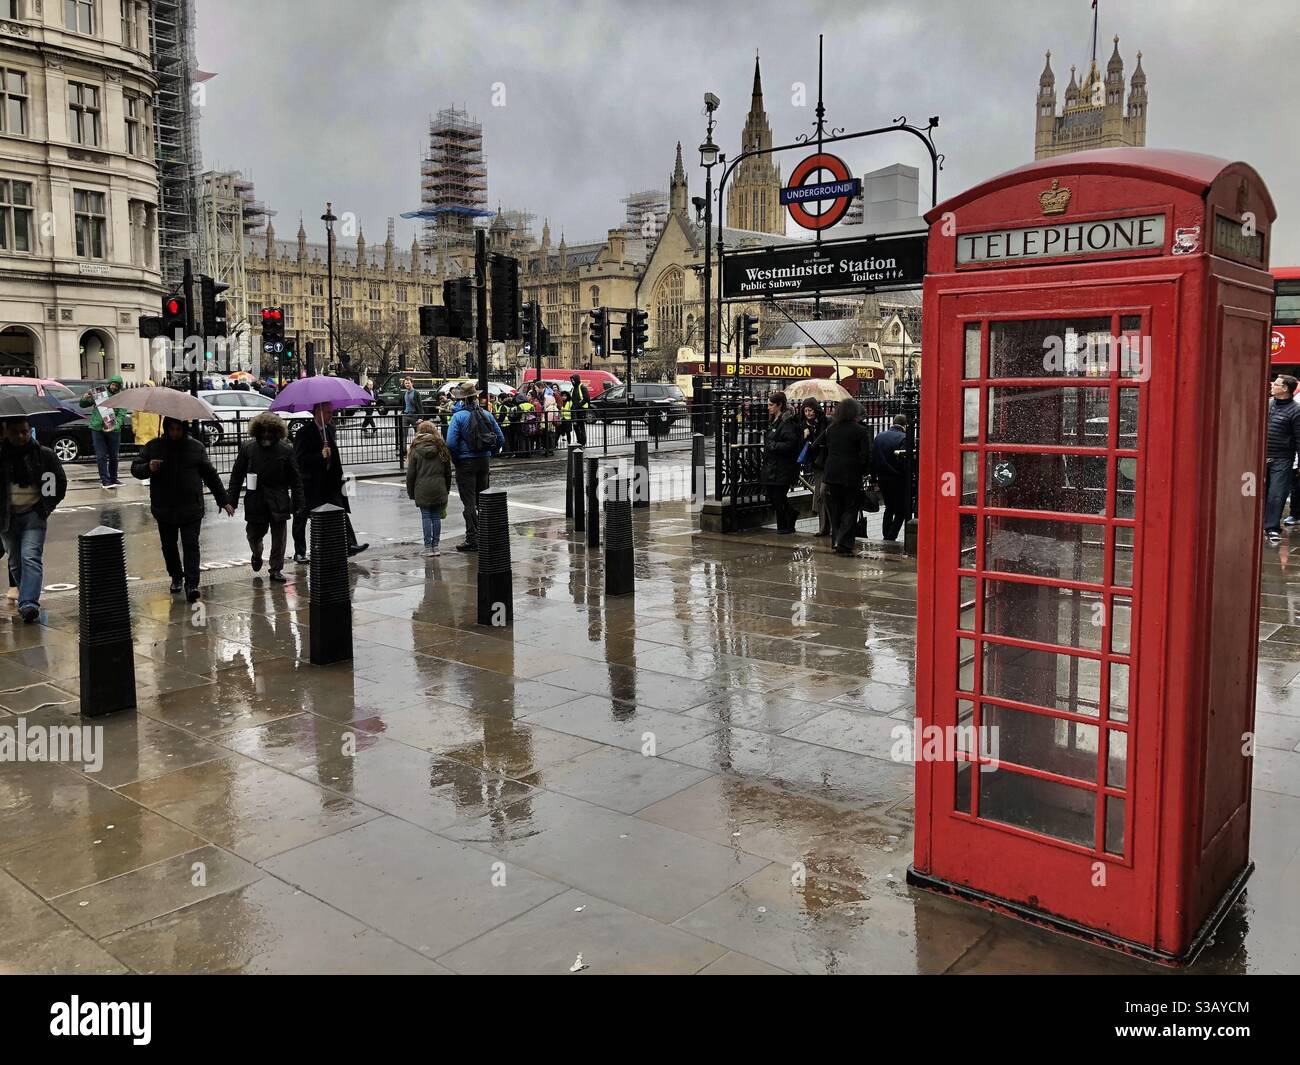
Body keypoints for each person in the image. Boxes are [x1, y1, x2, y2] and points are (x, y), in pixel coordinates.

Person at [130, 418, 232, 602]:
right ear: (166, 429)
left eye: (178, 429)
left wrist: (223, 500)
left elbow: (210, 474)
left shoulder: (195, 447)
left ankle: (192, 584)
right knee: (169, 546)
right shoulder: (154, 446)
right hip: (164, 505)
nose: (175, 433)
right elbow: (136, 468)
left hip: (191, 506)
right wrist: (148, 467)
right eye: (171, 429)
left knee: (191, 545)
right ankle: (176, 576)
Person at [0, 417, 67, 622]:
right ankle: (25, 597)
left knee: (30, 556)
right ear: (6, 433)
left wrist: (45, 508)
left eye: (25, 431)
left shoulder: (43, 455)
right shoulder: (2, 456)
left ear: (30, 431)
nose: (21, 436)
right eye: (15, 432)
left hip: (33, 515)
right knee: (15, 560)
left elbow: (58, 483)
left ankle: (29, 602)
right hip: (6, 517)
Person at [227, 412, 303, 583]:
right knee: (253, 534)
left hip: (278, 498)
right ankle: (256, 553)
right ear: (257, 431)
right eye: (264, 431)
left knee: (279, 537)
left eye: (270, 431)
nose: (267, 434)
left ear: (277, 432)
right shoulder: (248, 448)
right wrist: (230, 501)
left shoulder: (286, 450)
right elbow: (237, 476)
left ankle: (276, 569)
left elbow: (295, 479)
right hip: (256, 499)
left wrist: (299, 502)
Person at [291, 402, 368, 562]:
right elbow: (300, 460)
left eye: (331, 412)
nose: (331, 415)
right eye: (327, 412)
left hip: (330, 482)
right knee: (302, 517)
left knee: (340, 511)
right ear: (317, 412)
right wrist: (320, 456)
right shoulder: (304, 432)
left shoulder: (330, 429)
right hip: (310, 483)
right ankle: (299, 552)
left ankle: (349, 545)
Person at [445, 384, 504, 552]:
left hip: (465, 463)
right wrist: (488, 453)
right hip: (483, 462)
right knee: (483, 500)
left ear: (462, 399)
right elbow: (500, 439)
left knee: (469, 502)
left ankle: (473, 538)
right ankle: (486, 535)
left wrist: (457, 459)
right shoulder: (486, 414)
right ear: (475, 397)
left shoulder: (458, 417)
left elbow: (450, 443)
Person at [820, 398, 874, 556]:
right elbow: (865, 455)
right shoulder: (860, 431)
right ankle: (844, 543)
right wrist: (865, 471)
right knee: (850, 509)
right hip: (851, 475)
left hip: (832, 475)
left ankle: (837, 541)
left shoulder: (831, 429)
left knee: (836, 510)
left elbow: (821, 447)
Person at [405, 419, 453, 557]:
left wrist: (411, 492)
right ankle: (436, 546)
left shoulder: (415, 448)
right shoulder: (441, 447)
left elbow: (411, 474)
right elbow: (448, 472)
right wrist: (447, 489)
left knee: (426, 517)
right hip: (439, 487)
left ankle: (427, 548)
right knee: (436, 517)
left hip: (422, 488)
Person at [761, 390, 803, 534]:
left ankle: (784, 527)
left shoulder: (787, 423)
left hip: (783, 468)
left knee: (778, 498)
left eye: (771, 405)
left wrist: (773, 446)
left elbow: (790, 445)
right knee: (772, 496)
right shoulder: (774, 421)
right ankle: (790, 515)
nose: (768, 407)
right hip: (772, 467)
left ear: (779, 405)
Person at [1264, 375, 1300, 544]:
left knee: (1276, 495)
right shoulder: (1268, 404)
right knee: (1256, 493)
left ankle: (1271, 528)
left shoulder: (1296, 410)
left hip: (1282, 459)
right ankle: (1259, 524)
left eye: (1276, 384)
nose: (1272, 385)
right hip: (1262, 457)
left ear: (1285, 389)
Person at [79, 373, 125, 488]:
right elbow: (83, 404)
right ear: (110, 384)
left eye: (117, 386)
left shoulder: (121, 397)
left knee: (114, 456)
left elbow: (121, 414)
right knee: (101, 456)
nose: (114, 387)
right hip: (97, 428)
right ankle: (105, 480)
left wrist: (116, 426)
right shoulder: (100, 393)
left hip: (113, 430)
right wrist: (85, 398)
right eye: (113, 384)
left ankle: (113, 479)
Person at [872, 414, 912, 542]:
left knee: (889, 508)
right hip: (898, 479)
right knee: (900, 511)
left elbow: (872, 459)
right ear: (904, 425)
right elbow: (904, 462)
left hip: (882, 478)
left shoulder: (879, 437)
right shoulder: (904, 438)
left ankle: (886, 535)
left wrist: (873, 478)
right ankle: (891, 537)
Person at [798, 398, 831, 537]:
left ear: (816, 409)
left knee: (824, 494)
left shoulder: (826, 421)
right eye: (805, 411)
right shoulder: (804, 424)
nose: (808, 413)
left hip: (827, 462)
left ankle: (829, 527)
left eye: (810, 410)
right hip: (817, 464)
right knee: (820, 495)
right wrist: (805, 431)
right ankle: (823, 527)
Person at [570, 374, 590, 445]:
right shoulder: (573, 388)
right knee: (575, 426)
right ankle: (579, 440)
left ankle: (583, 441)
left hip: (581, 410)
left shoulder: (582, 387)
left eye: (573, 380)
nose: (572, 382)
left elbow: (586, 398)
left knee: (581, 426)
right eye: (571, 380)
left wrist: (578, 405)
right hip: (574, 410)